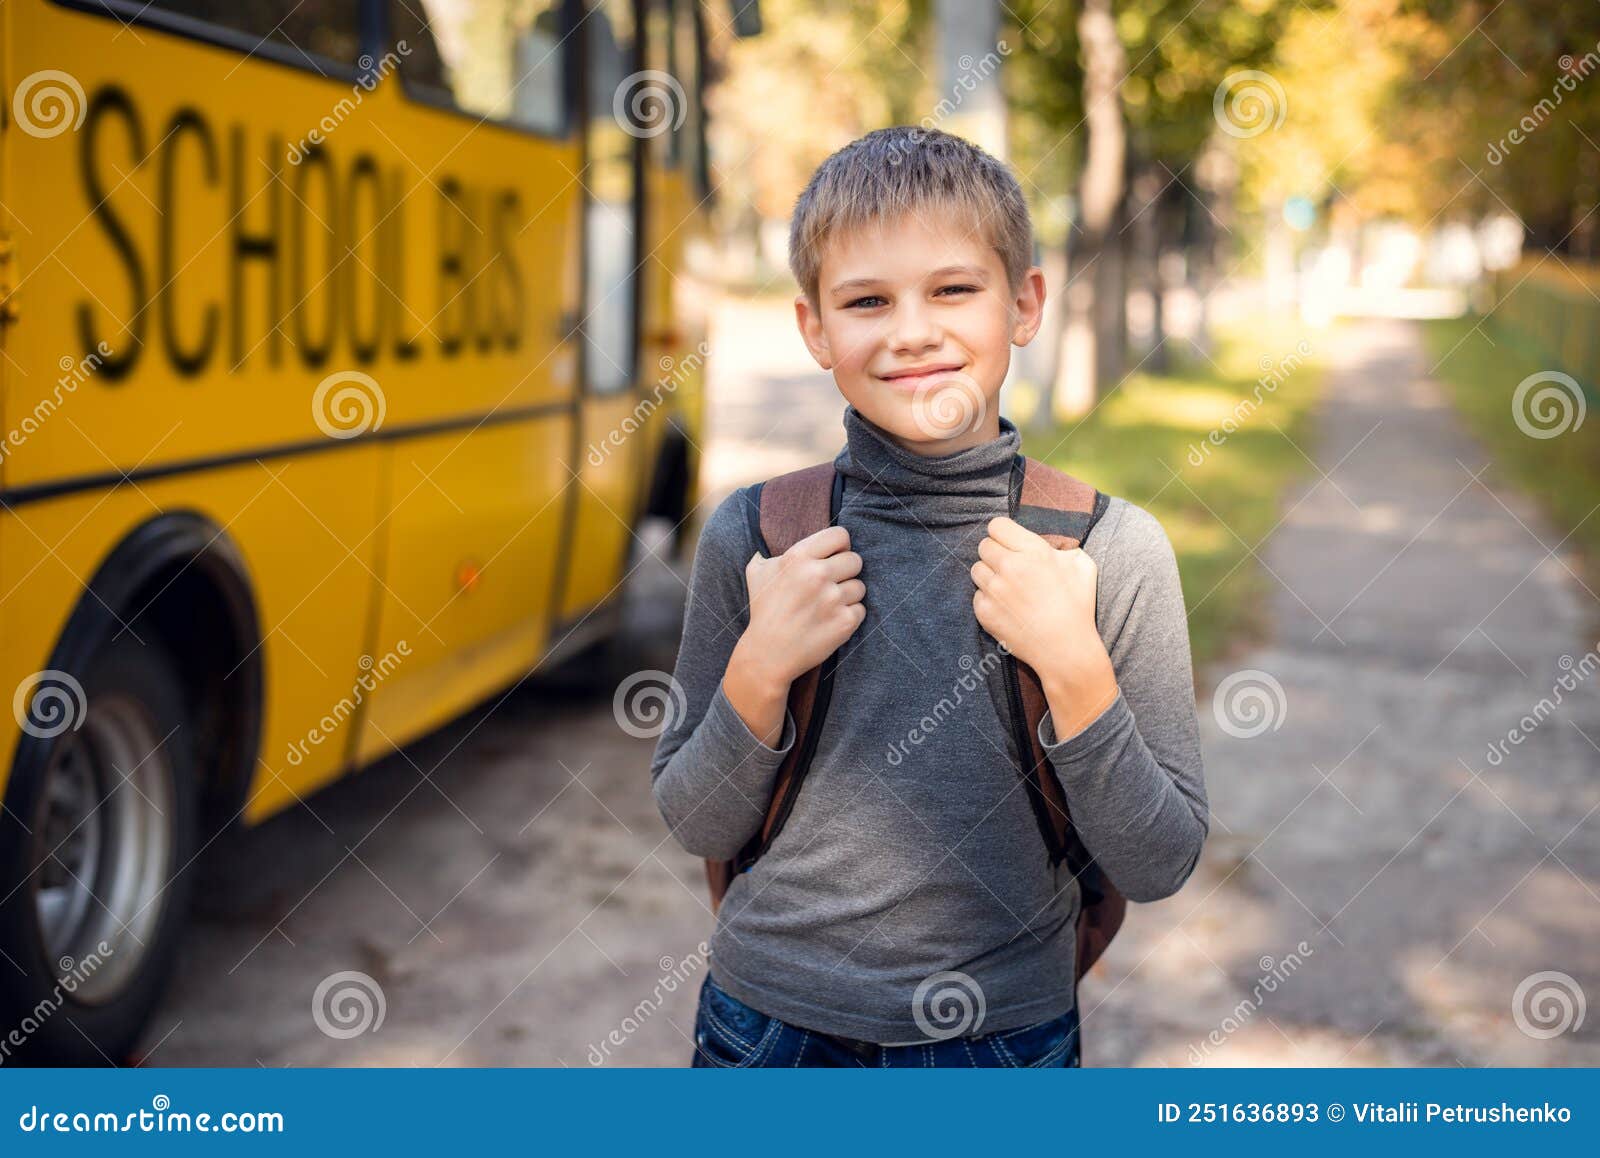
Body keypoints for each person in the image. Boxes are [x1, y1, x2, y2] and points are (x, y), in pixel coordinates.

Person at [649, 125, 1208, 1068]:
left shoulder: (1111, 552)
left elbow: (1159, 861)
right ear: (816, 329)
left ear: (1024, 303)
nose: (913, 331)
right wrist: (760, 666)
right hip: (763, 1032)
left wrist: (1074, 666)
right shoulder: (758, 540)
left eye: (953, 289)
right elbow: (697, 823)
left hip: (1004, 1042)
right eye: (867, 300)